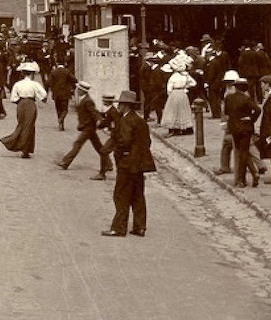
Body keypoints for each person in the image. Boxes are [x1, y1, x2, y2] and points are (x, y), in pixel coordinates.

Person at [101, 91, 156, 237]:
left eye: (120, 104)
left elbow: (124, 141)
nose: (118, 106)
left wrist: (117, 153)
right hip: (139, 164)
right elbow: (147, 142)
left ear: (125, 105)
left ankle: (119, 227)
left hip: (127, 163)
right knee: (138, 196)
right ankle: (140, 226)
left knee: (121, 195)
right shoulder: (140, 121)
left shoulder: (125, 121)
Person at [57, 82, 113, 179]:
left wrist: (99, 120)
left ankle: (66, 162)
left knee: (77, 144)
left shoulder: (87, 101)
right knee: (98, 146)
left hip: (88, 127)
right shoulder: (84, 99)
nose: (77, 90)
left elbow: (93, 112)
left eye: (78, 89)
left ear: (82, 91)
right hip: (88, 127)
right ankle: (108, 164)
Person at [0, 63, 47, 158]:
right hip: (30, 104)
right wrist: (39, 98)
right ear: (32, 74)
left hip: (20, 104)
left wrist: (21, 102)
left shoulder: (18, 84)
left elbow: (13, 98)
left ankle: (23, 147)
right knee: (29, 126)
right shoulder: (35, 84)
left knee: (22, 124)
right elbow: (44, 95)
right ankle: (23, 148)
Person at [224, 76, 262, 188]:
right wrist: (250, 118)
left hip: (234, 128)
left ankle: (244, 179)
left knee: (240, 152)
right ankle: (247, 176)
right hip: (245, 128)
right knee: (244, 153)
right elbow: (258, 110)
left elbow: (226, 112)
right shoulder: (246, 99)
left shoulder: (229, 98)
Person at [163, 59, 197, 136]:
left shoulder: (173, 77)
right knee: (183, 110)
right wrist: (185, 87)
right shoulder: (185, 75)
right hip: (182, 93)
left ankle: (174, 129)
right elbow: (194, 83)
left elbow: (169, 88)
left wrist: (170, 95)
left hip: (174, 93)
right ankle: (185, 128)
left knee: (172, 111)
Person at [47, 61, 77, 130]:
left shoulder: (53, 72)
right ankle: (62, 118)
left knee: (58, 109)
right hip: (65, 94)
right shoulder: (67, 71)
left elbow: (48, 82)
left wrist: (52, 86)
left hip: (56, 94)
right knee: (65, 109)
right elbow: (75, 80)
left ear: (57, 64)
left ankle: (61, 123)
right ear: (64, 64)